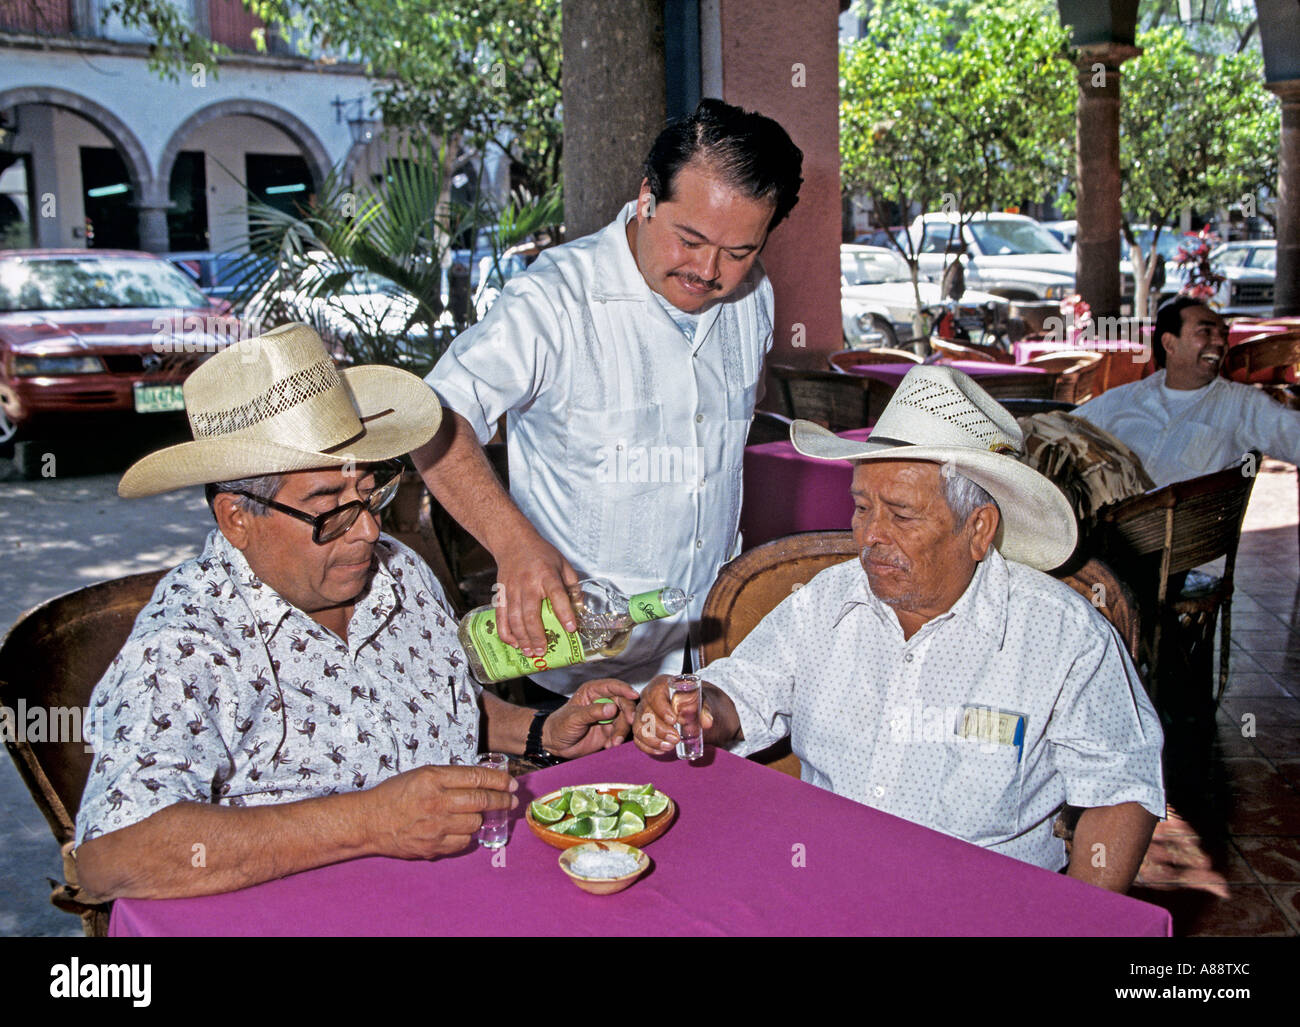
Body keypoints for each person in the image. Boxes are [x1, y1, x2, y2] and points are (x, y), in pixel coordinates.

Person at [73, 323, 636, 901]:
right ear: (236, 519)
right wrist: (368, 823)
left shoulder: (398, 571)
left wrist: (541, 732)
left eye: (370, 494)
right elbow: (111, 856)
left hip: (456, 892)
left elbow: (431, 706)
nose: (367, 530)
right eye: (328, 509)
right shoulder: (185, 642)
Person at [633, 366, 1165, 892]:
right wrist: (695, 705)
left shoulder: (1063, 636)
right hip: (822, 879)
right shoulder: (824, 600)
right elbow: (740, 694)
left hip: (981, 903)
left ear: (978, 528)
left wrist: (1082, 919)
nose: (870, 535)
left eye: (902, 515)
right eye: (861, 507)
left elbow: (1121, 788)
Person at [413, 98, 804, 695]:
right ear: (648, 198)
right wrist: (514, 543)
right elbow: (435, 417)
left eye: (739, 252)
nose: (708, 270)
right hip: (575, 671)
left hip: (706, 655)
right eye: (690, 239)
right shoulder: (555, 299)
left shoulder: (753, 297)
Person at [1074, 296, 1300, 487]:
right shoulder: (1124, 399)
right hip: (1113, 521)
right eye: (1205, 332)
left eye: (1223, 334)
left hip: (1187, 523)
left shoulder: (1243, 405)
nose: (1220, 342)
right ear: (1170, 344)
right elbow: (1062, 430)